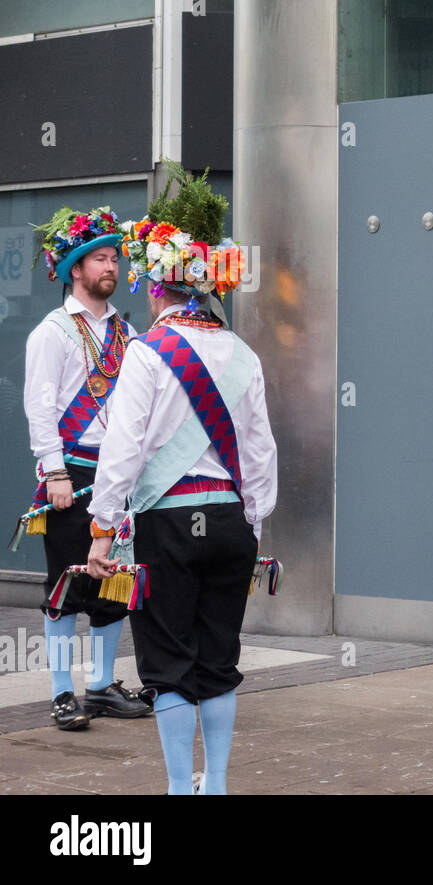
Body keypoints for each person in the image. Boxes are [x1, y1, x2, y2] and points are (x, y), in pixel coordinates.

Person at [86, 163, 277, 795]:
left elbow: (122, 448)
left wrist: (103, 529)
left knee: (167, 665)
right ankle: (216, 784)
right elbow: (260, 451)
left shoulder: (147, 354)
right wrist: (254, 521)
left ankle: (177, 787)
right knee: (218, 660)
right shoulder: (244, 354)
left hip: (166, 525)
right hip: (229, 523)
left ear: (160, 289)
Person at [24, 205, 151, 730]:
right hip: (71, 474)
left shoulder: (128, 331)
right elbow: (40, 406)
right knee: (67, 581)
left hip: (118, 475)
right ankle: (60, 692)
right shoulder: (51, 332)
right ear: (75, 268)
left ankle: (99, 686)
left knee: (113, 581)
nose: (111, 268)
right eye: (99, 259)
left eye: (114, 260)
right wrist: (53, 472)